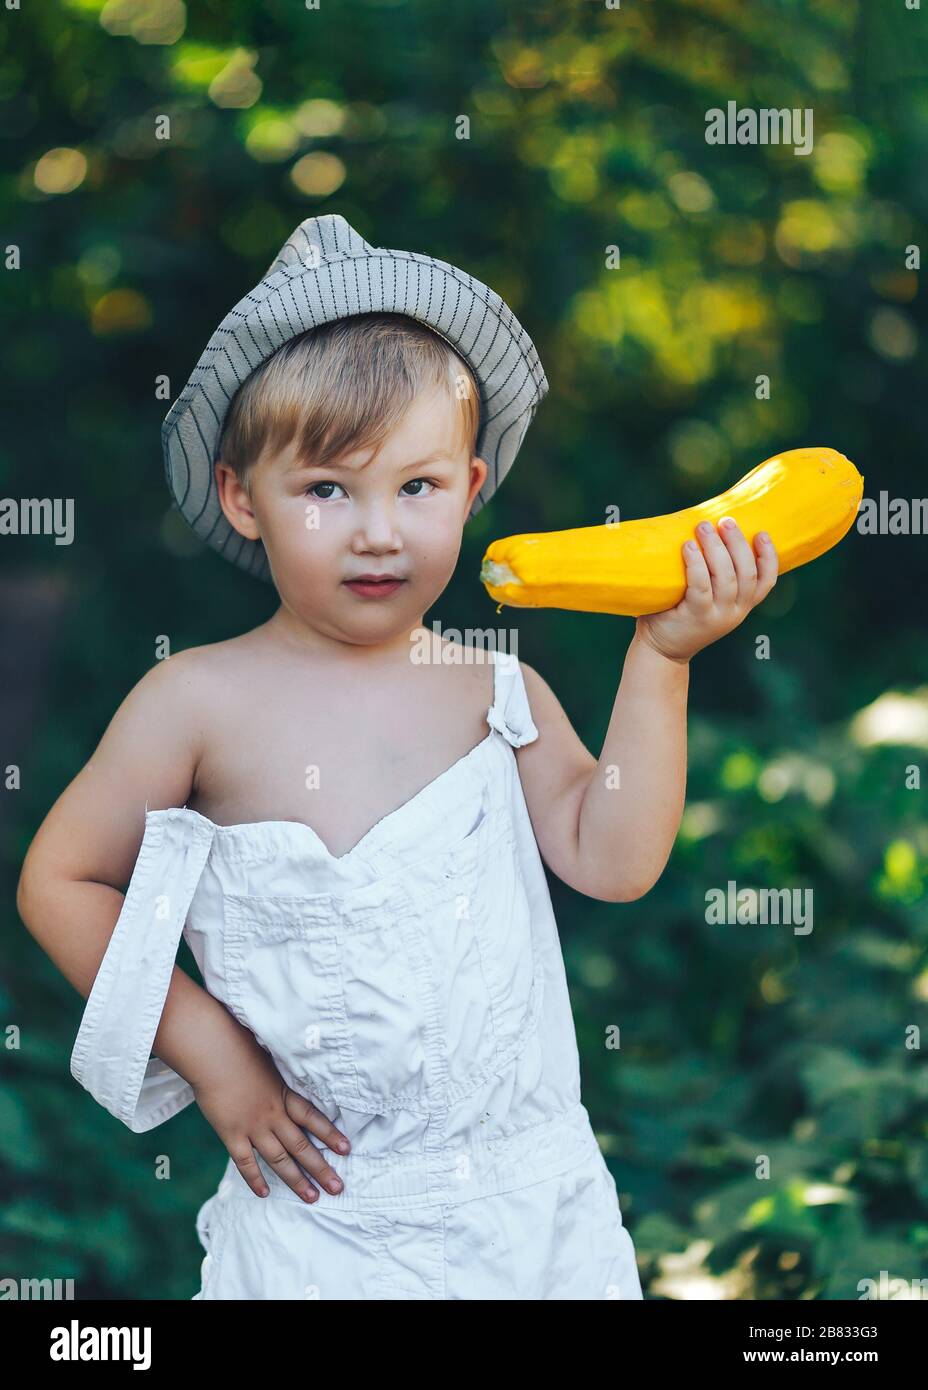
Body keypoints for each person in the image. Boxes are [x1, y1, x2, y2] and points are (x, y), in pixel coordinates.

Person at [16, 214, 778, 1300]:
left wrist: (661, 656)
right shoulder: (196, 700)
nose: (378, 531)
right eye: (328, 489)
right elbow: (62, 876)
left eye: (415, 488)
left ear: (469, 489)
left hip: (527, 1223)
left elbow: (612, 860)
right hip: (322, 1225)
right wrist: (214, 1057)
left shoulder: (495, 691)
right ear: (244, 496)